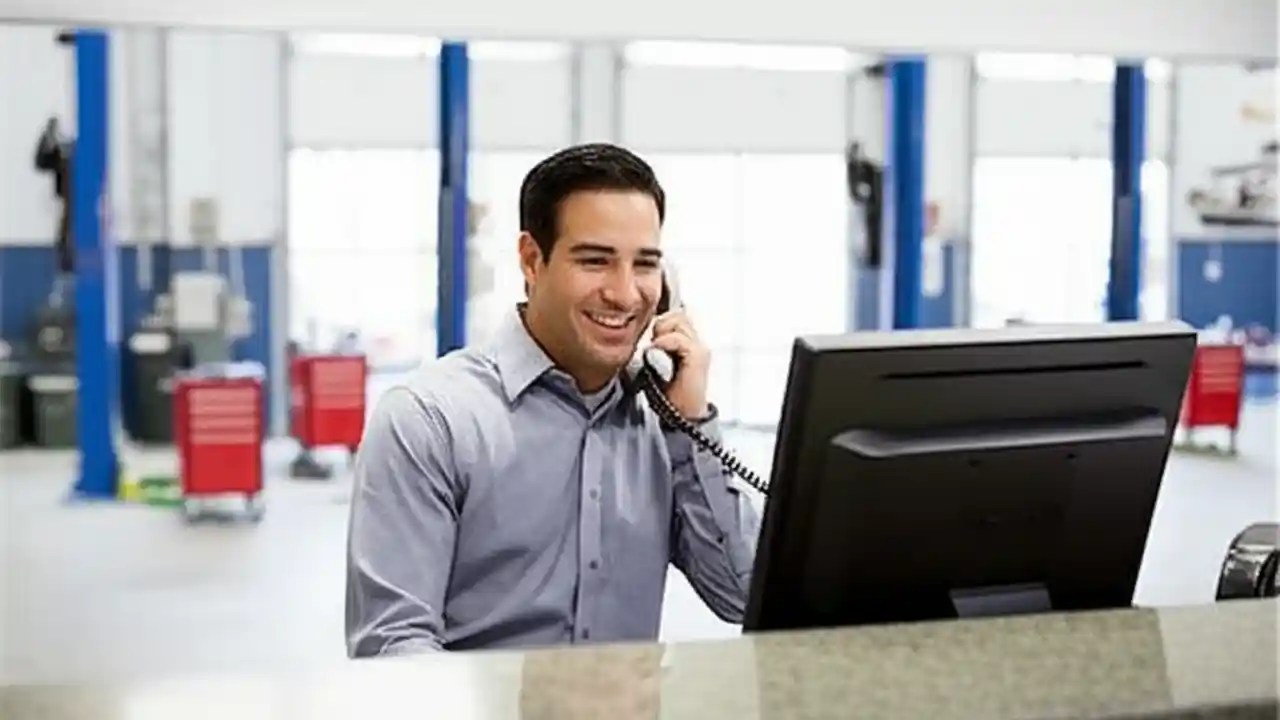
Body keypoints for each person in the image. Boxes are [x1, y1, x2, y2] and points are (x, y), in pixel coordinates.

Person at [345, 143, 760, 655]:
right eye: (595, 261)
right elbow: (393, 646)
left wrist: (690, 422)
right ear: (531, 260)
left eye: (645, 264)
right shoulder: (429, 420)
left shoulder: (664, 423)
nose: (626, 294)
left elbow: (743, 596)